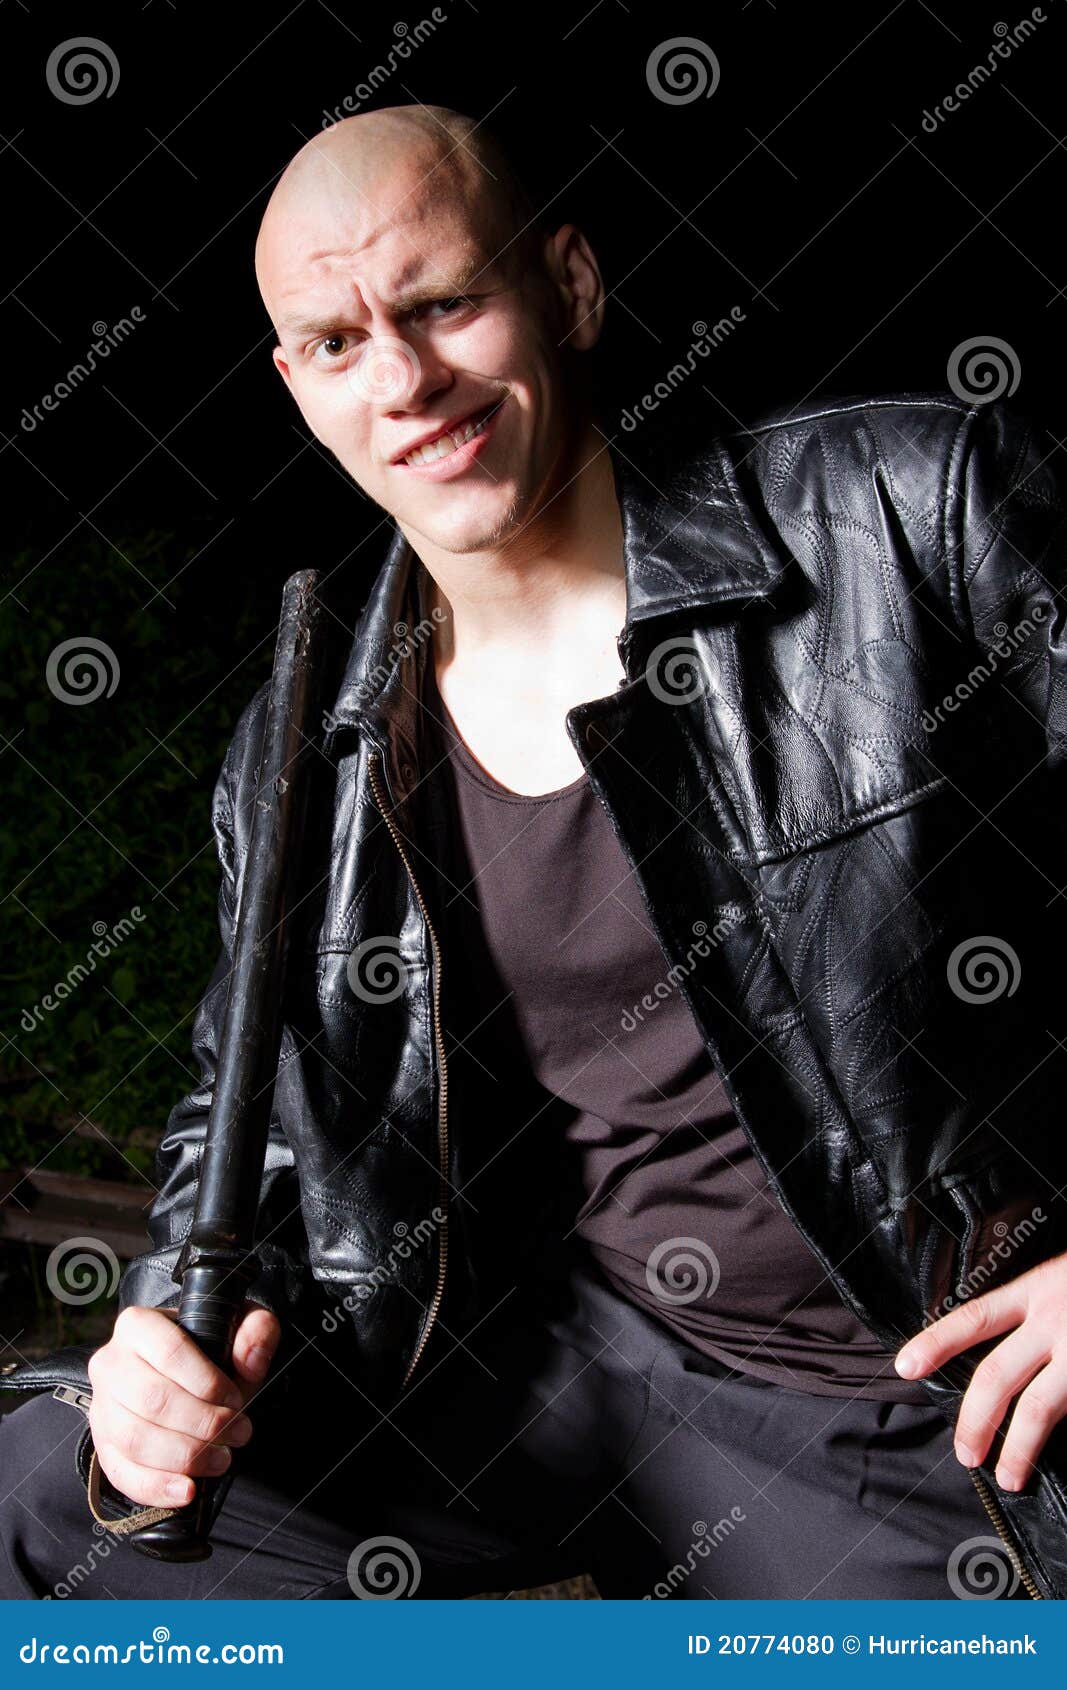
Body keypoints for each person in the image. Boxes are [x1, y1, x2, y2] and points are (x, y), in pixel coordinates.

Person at [3, 104, 1067, 1601]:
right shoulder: (311, 734)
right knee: (55, 1495)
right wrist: (167, 1338)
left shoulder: (904, 512)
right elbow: (253, 1104)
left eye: (443, 304)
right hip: (533, 1374)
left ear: (568, 285)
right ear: (294, 383)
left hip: (893, 1393)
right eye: (337, 340)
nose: (406, 380)